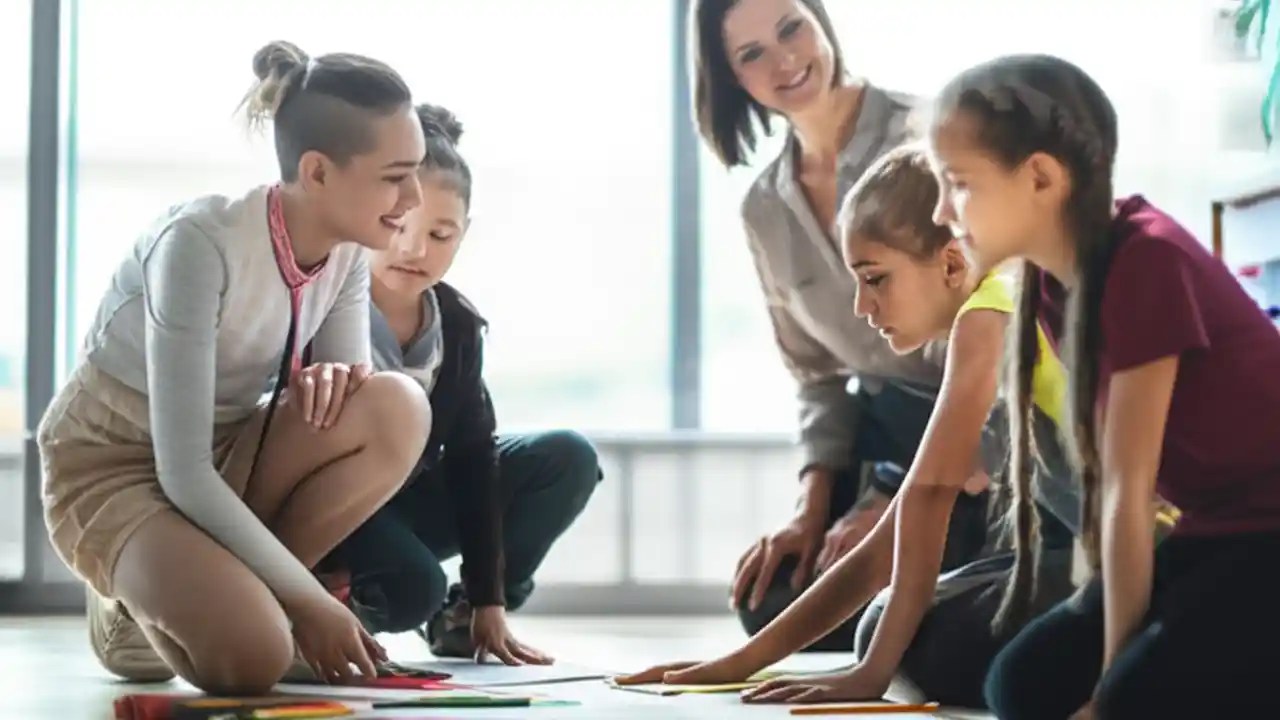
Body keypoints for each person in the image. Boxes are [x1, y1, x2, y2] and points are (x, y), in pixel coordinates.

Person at [615, 144, 1078, 708]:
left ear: (952, 263)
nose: (862, 306)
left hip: (1123, 555)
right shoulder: (1000, 300)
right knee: (885, 622)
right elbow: (895, 533)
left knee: (918, 639)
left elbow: (930, 496)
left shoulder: (987, 315)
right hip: (1071, 549)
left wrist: (871, 676)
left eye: (875, 278)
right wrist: (740, 664)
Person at [37, 41, 433, 695]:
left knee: (396, 405)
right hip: (117, 465)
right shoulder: (199, 244)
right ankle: (128, 604)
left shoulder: (348, 252)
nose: (413, 195)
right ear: (318, 172)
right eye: (396, 175)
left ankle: (232, 596)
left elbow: (351, 398)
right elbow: (181, 471)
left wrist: (338, 378)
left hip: (226, 449)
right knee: (253, 660)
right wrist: (310, 601)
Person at [927, 53, 1280, 719]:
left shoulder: (1146, 259)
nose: (944, 210)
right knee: (1020, 685)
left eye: (958, 183)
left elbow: (1126, 490)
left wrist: (1111, 691)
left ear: (1040, 177)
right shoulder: (1049, 279)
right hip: (1219, 535)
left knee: (1137, 697)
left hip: (1269, 536)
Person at [689, 0, 993, 651]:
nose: (784, 59)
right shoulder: (764, 211)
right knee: (768, 601)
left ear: (820, 20)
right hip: (879, 436)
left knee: (918, 626)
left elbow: (1012, 307)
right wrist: (812, 511)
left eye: (790, 27)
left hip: (980, 430)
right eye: (751, 54)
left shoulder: (933, 132)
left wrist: (891, 499)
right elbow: (817, 375)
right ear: (732, 77)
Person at [327, 104, 602, 665]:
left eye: (441, 233)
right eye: (398, 228)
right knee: (413, 589)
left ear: (464, 234)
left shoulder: (455, 324)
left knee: (568, 457)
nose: (414, 249)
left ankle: (457, 620)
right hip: (337, 514)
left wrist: (487, 599)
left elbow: (475, 460)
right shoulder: (328, 306)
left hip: (413, 506)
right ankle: (337, 609)